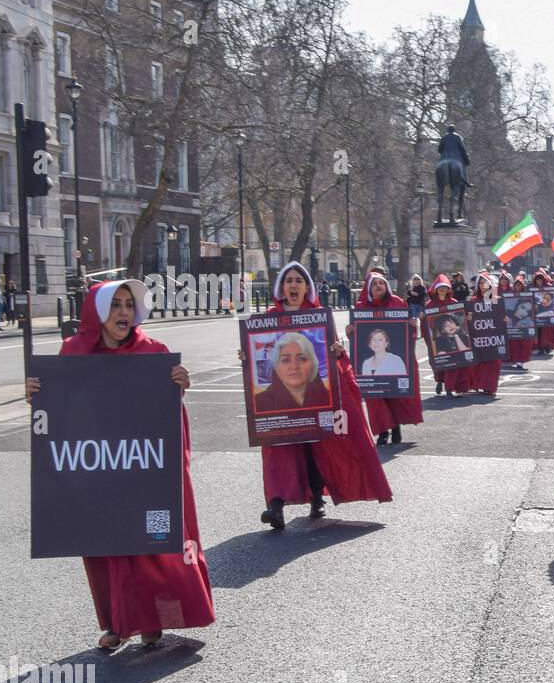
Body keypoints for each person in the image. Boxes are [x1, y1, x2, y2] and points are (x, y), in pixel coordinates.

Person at [26, 280, 214, 649]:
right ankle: (116, 624)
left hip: (142, 467)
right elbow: (62, 412)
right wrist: (38, 396)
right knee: (103, 545)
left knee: (150, 546)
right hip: (97, 468)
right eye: (115, 305)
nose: (124, 312)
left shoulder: (154, 351)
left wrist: (179, 384)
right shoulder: (73, 351)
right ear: (97, 311)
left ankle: (152, 618)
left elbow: (169, 417)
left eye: (129, 305)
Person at [246, 261, 392, 529]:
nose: (293, 285)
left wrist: (339, 352)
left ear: (306, 287)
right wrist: (246, 355)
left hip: (314, 397)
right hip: (280, 402)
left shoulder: (319, 316)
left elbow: (335, 357)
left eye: (298, 281)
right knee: (279, 452)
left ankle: (317, 498)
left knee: (315, 448)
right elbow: (257, 355)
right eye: (288, 280)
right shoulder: (267, 317)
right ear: (282, 286)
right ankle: (275, 505)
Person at [347, 271, 421, 445]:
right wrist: (350, 331)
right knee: (375, 399)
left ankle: (396, 428)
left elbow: (407, 333)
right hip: (370, 364)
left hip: (393, 358)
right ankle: (382, 431)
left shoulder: (398, 303)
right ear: (369, 288)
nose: (378, 286)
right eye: (374, 284)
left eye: (381, 283)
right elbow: (357, 339)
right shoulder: (360, 307)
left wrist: (412, 326)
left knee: (395, 395)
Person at [253, 332, 331, 412]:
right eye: (286, 360)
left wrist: (338, 355)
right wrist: (246, 359)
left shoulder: (330, 399)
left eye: (302, 359)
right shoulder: (259, 403)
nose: (294, 366)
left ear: (313, 364)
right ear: (276, 366)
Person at [505, 271, 535, 371]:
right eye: (516, 285)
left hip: (525, 327)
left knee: (526, 344)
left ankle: (521, 362)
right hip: (513, 328)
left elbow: (532, 310)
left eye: (520, 285)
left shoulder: (528, 296)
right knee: (514, 344)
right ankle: (517, 361)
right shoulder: (509, 296)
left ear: (523, 286)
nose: (518, 287)